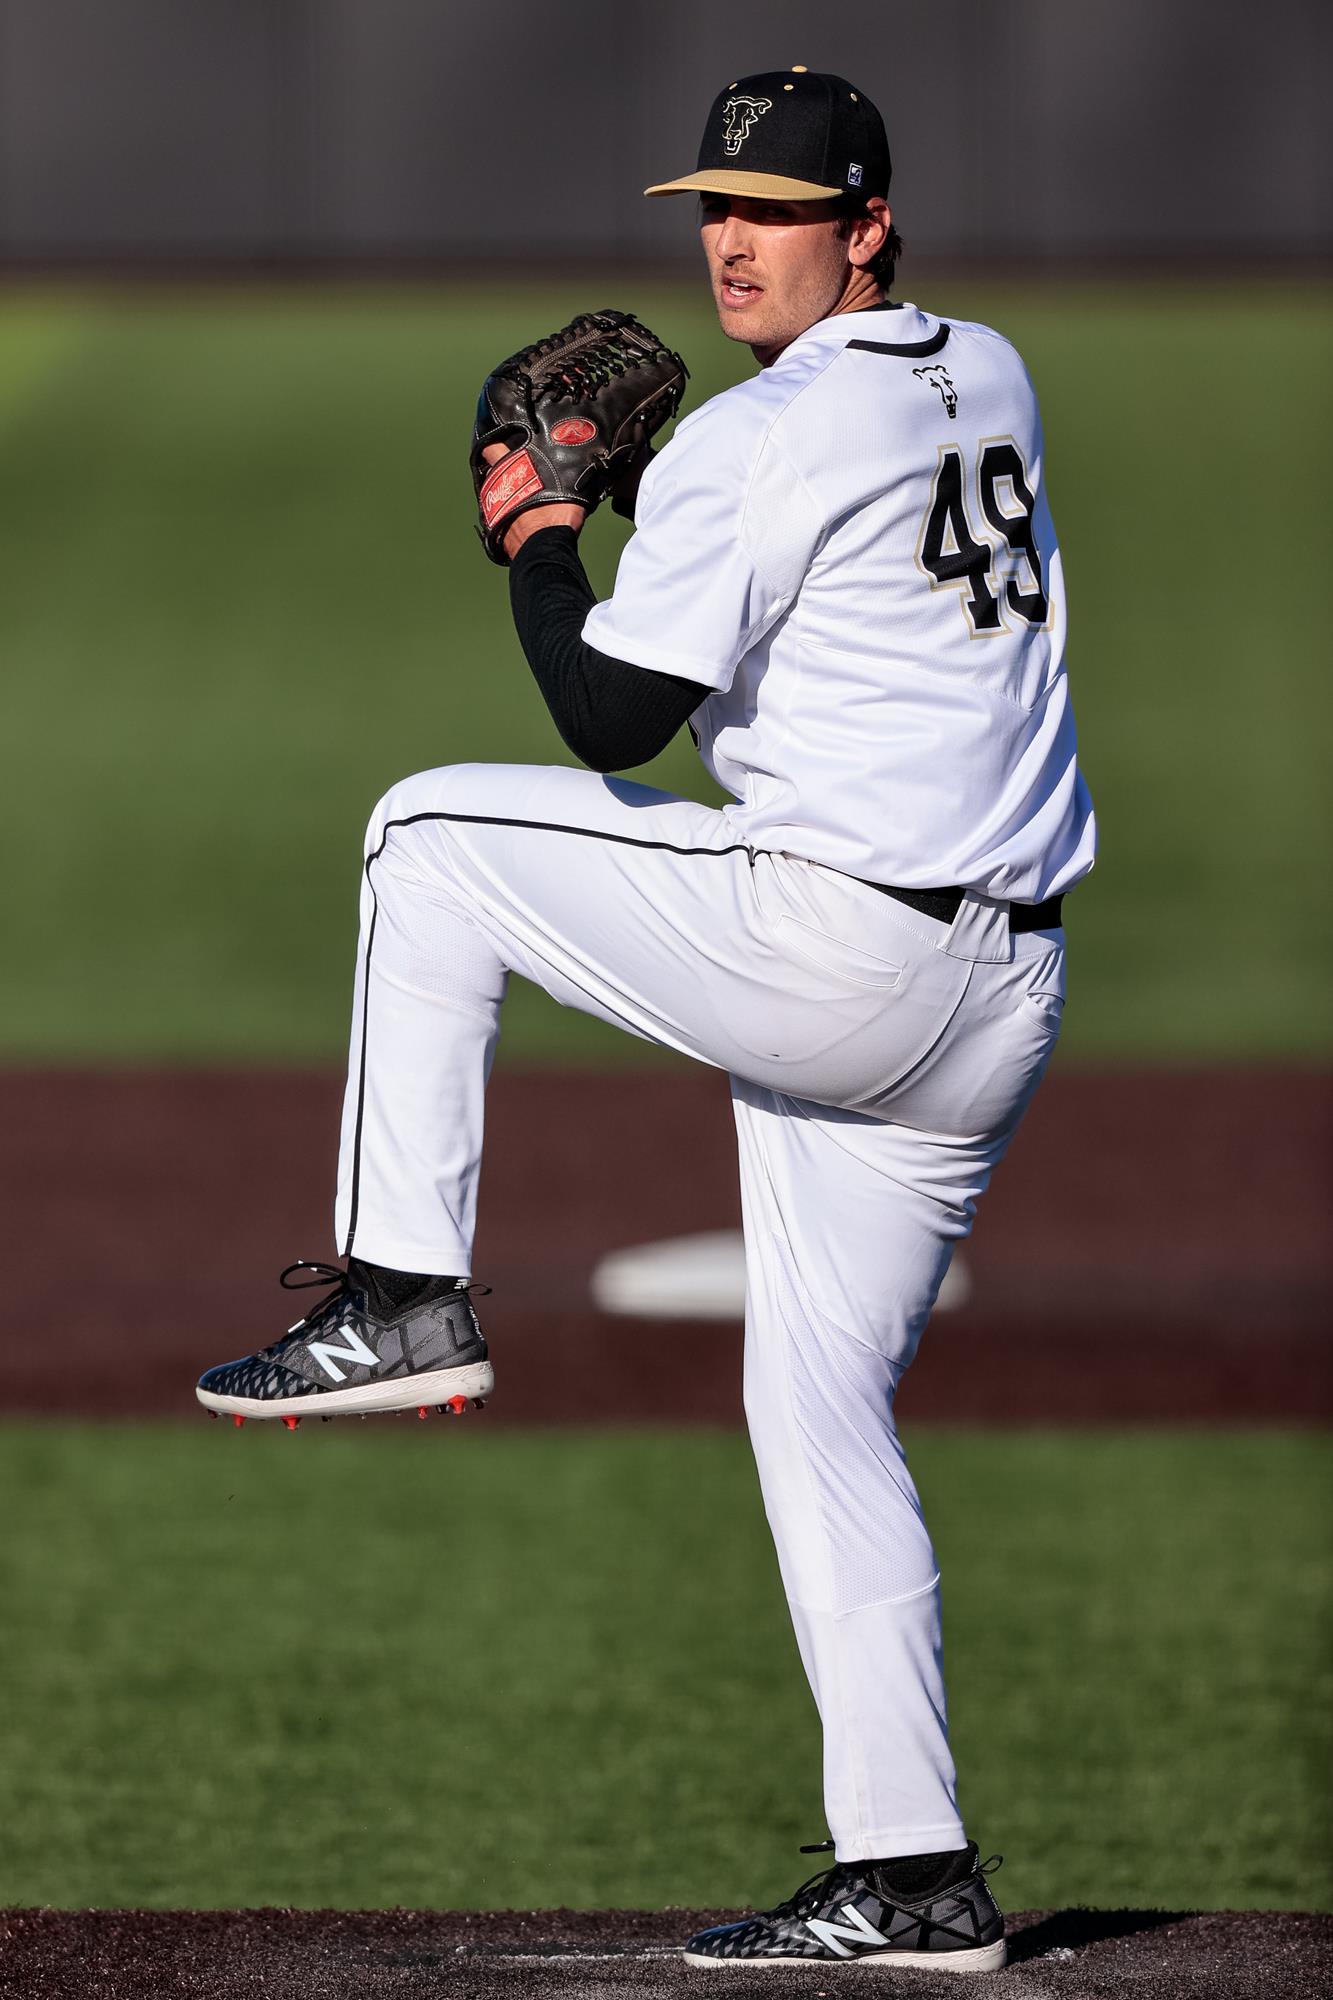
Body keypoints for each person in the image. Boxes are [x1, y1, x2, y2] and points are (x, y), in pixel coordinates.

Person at [198, 67, 1094, 1972]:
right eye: (714, 202)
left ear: (866, 224)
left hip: (842, 963)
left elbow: (610, 720)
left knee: (424, 834)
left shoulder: (759, 442)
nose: (729, 241)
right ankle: (912, 1867)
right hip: (997, 1002)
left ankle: (402, 1295)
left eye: (775, 208)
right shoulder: (989, 366)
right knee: (815, 1405)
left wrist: (541, 526)